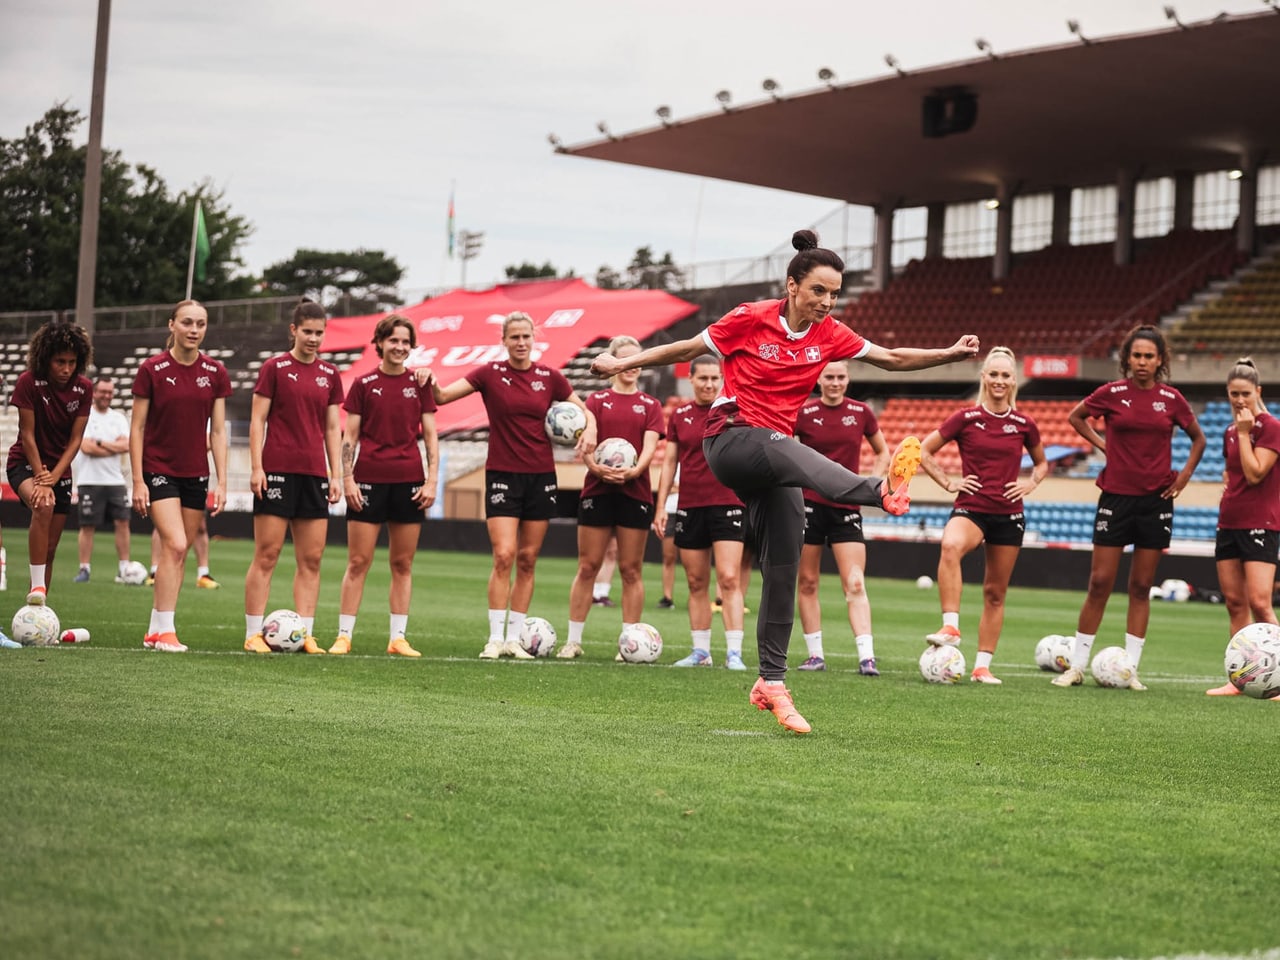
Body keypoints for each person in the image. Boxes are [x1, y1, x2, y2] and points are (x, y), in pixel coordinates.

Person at [592, 229, 979, 733]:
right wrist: (623, 362)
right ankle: (878, 491)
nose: (827, 301)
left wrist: (949, 354)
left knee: (783, 565)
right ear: (792, 285)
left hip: (774, 457)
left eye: (835, 293)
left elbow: (891, 357)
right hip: (731, 440)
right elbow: (685, 347)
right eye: (819, 290)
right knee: (792, 450)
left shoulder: (830, 334)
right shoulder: (750, 318)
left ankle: (771, 682)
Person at [423, 312, 595, 659]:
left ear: (534, 339)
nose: (520, 343)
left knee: (528, 558)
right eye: (514, 337)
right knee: (503, 555)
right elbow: (441, 397)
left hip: (542, 476)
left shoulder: (550, 378)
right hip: (502, 474)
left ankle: (515, 640)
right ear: (504, 340)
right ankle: (494, 638)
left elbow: (585, 411)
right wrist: (429, 379)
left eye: (526, 337)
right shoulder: (489, 373)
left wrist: (590, 427)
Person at [1053, 324, 1205, 690]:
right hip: (1116, 498)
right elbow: (1076, 417)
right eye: (1136, 355)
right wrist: (1104, 445)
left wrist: (1182, 478)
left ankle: (1130, 669)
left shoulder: (1171, 399)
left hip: (1156, 502)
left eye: (1149, 356)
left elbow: (1198, 439)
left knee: (1141, 586)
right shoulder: (1111, 393)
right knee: (1099, 582)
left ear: (1159, 361)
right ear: (1127, 358)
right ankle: (1076, 667)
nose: (1142, 362)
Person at [918, 347, 1048, 684]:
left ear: (1014, 381)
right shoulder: (965, 418)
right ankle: (951, 625)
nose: (1000, 380)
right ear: (984, 378)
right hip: (971, 508)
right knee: (950, 546)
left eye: (1006, 375)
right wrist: (948, 481)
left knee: (995, 593)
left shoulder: (1024, 423)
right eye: (994, 374)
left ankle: (981, 667)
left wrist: (1031, 484)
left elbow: (1042, 462)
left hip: (1009, 514)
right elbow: (922, 450)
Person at [331, 314, 437, 657]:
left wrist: (432, 479)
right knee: (358, 562)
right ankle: (344, 636)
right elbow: (350, 437)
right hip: (368, 481)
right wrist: (347, 478)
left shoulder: (420, 384)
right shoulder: (363, 384)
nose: (400, 347)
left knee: (402, 564)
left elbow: (431, 438)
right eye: (394, 340)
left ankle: (397, 638)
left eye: (406, 342)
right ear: (379, 343)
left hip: (409, 481)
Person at [243, 299, 343, 655]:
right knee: (267, 554)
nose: (313, 338)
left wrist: (337, 475)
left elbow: (333, 427)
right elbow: (257, 421)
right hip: (277, 471)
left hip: (315, 474)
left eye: (319, 332)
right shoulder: (274, 367)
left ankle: (305, 634)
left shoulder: (330, 374)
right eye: (307, 331)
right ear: (294, 330)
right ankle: (254, 632)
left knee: (312, 560)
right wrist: (257, 467)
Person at [130, 300, 231, 652]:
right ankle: (166, 629)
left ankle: (155, 630)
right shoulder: (152, 369)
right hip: (159, 469)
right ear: (172, 324)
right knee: (172, 543)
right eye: (187, 322)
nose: (194, 330)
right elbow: (138, 427)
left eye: (200, 324)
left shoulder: (216, 372)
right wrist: (138, 480)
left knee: (180, 551)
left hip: (196, 474)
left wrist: (222, 480)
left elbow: (217, 432)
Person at [559, 335, 665, 660]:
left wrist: (633, 473)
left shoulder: (651, 405)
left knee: (631, 569)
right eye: (624, 360)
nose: (630, 366)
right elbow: (586, 448)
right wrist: (596, 468)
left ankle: (628, 643)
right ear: (613, 362)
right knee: (588, 566)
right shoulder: (595, 401)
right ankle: (573, 641)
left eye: (636, 360)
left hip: (636, 491)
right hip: (598, 490)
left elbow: (649, 448)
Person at [794, 359, 890, 675]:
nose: (835, 382)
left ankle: (867, 657)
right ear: (818, 379)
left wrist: (871, 485)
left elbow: (883, 453)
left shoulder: (861, 412)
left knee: (855, 582)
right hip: (808, 506)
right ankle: (815, 655)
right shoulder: (803, 412)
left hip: (847, 509)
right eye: (829, 377)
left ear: (848, 380)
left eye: (840, 377)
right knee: (807, 582)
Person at [654, 354, 750, 670]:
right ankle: (701, 651)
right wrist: (661, 505)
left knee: (728, 577)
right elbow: (669, 463)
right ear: (691, 379)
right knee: (696, 581)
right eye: (703, 378)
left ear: (721, 380)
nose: (709, 383)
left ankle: (734, 651)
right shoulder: (679, 415)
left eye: (714, 378)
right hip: (690, 506)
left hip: (728, 504)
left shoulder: (736, 412)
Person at [1206, 358, 1280, 697]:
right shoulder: (1228, 431)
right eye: (1233, 393)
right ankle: (1241, 678)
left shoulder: (1271, 427)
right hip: (1229, 522)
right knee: (1235, 602)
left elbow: (1254, 473)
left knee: (1261, 603)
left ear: (1258, 391)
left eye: (1245, 393)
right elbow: (1232, 473)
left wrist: (1246, 432)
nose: (1238, 400)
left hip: (1261, 523)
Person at [6, 320, 93, 605]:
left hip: (59, 471)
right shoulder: (28, 382)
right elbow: (27, 436)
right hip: (25, 463)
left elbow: (76, 440)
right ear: (46, 358)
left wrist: (54, 476)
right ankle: (37, 589)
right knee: (43, 504)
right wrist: (43, 477)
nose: (66, 369)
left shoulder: (84, 389)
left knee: (51, 549)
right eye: (59, 362)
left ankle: (38, 610)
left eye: (72, 362)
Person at [72, 377, 134, 584]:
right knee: (88, 525)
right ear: (94, 393)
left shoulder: (118, 418)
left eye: (110, 392)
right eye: (103, 392)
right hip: (89, 480)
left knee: (123, 522)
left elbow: (127, 445)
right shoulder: (85, 416)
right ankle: (84, 568)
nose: (107, 396)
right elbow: (86, 448)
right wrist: (110, 445)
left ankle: (124, 569)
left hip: (115, 480)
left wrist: (99, 443)